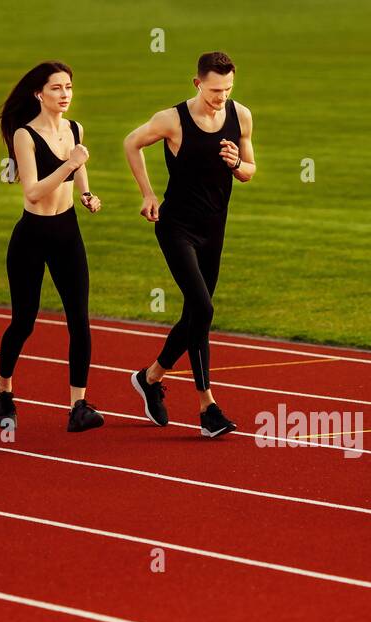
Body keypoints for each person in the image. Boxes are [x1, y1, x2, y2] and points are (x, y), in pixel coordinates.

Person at [123, 51, 256, 438]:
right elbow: (132, 143)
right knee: (202, 307)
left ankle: (151, 377)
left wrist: (235, 164)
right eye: (215, 90)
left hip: (214, 228)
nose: (222, 97)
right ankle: (207, 405)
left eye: (228, 89)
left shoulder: (241, 115)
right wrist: (147, 194)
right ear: (197, 83)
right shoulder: (172, 119)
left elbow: (250, 171)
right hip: (176, 226)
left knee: (199, 313)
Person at [0, 60, 104, 433]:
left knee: (80, 321)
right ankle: (2, 389)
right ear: (39, 94)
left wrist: (86, 192)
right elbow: (34, 192)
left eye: (68, 87)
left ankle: (78, 406)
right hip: (32, 236)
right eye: (56, 88)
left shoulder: (75, 128)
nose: (65, 94)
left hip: (67, 232)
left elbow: (79, 165)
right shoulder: (25, 135)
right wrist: (70, 164)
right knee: (24, 321)